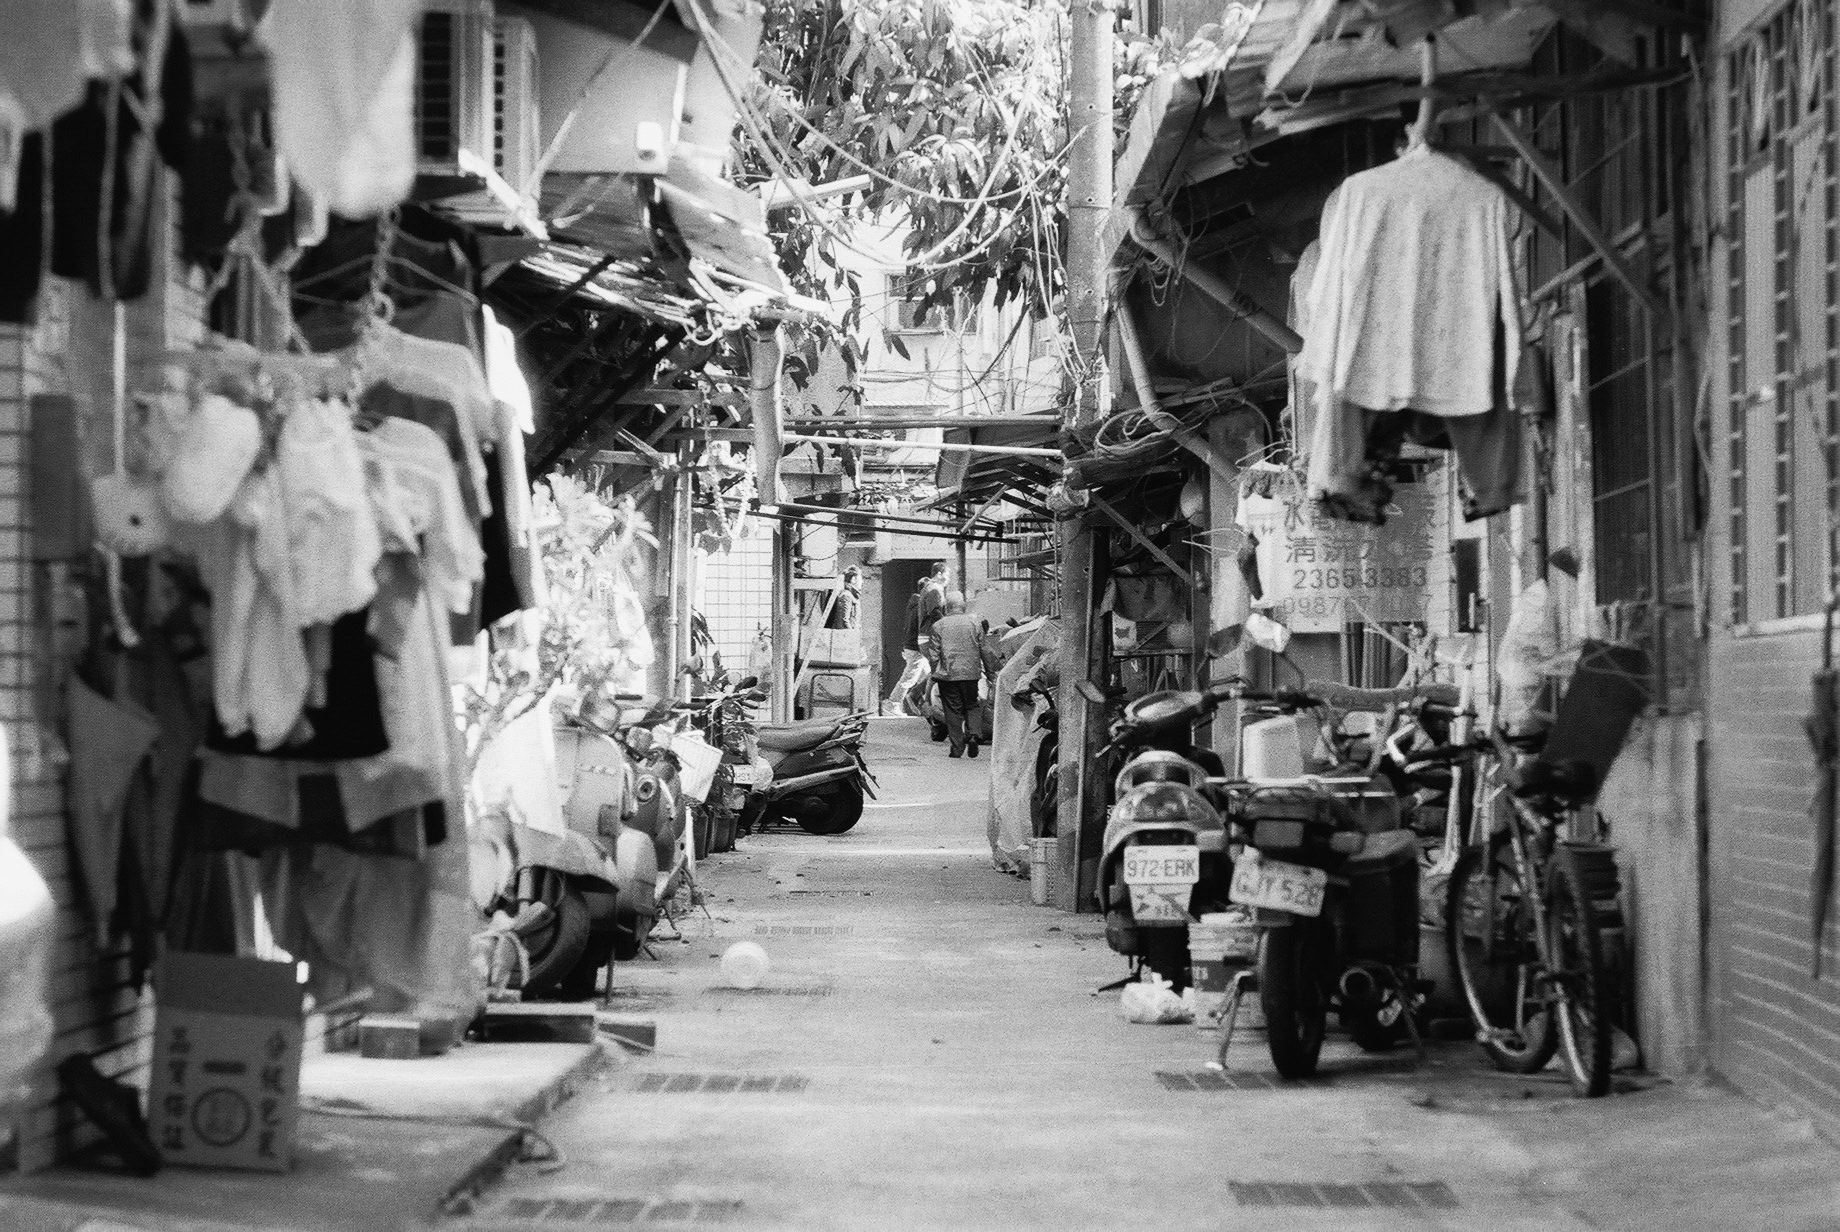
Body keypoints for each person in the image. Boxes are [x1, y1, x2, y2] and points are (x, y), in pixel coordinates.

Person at [931, 592, 984, 758]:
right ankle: (974, 734)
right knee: (972, 704)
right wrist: (990, 671)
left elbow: (933, 655)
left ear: (947, 607)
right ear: (964, 607)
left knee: (953, 710)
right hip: (970, 674)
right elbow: (984, 649)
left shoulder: (938, 626)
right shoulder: (975, 623)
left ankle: (957, 748)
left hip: (948, 675)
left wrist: (935, 672)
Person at [918, 561, 949, 645]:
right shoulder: (933, 590)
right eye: (947, 575)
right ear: (939, 574)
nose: (948, 579)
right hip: (931, 636)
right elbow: (934, 612)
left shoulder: (929, 588)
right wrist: (948, 626)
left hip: (927, 635)